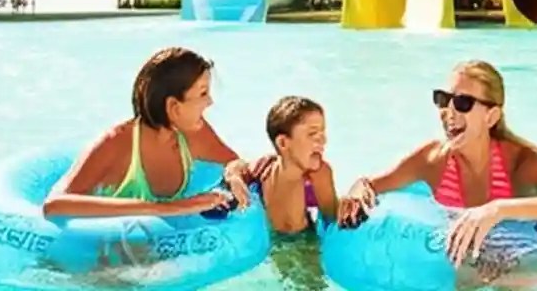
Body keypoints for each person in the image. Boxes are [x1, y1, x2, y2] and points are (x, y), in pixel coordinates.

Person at [336, 60, 537, 269]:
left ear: (491, 116)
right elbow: (370, 183)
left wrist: (499, 209)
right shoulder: (433, 160)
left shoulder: (520, 165)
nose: (449, 112)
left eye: (463, 103)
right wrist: (357, 189)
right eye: (443, 100)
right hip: (466, 267)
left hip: (527, 261)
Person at [42, 46, 252, 219]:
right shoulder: (117, 143)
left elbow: (235, 161)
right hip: (101, 253)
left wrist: (233, 174)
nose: (210, 101)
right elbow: (54, 205)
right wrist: (168, 209)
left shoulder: (193, 133)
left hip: (151, 251)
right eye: (203, 93)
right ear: (173, 106)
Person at [257, 96, 338, 235]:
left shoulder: (318, 176)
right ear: (283, 143)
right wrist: (235, 174)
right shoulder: (263, 171)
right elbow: (235, 168)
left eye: (322, 132)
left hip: (306, 243)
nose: (323, 140)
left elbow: (333, 221)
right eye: (313, 133)